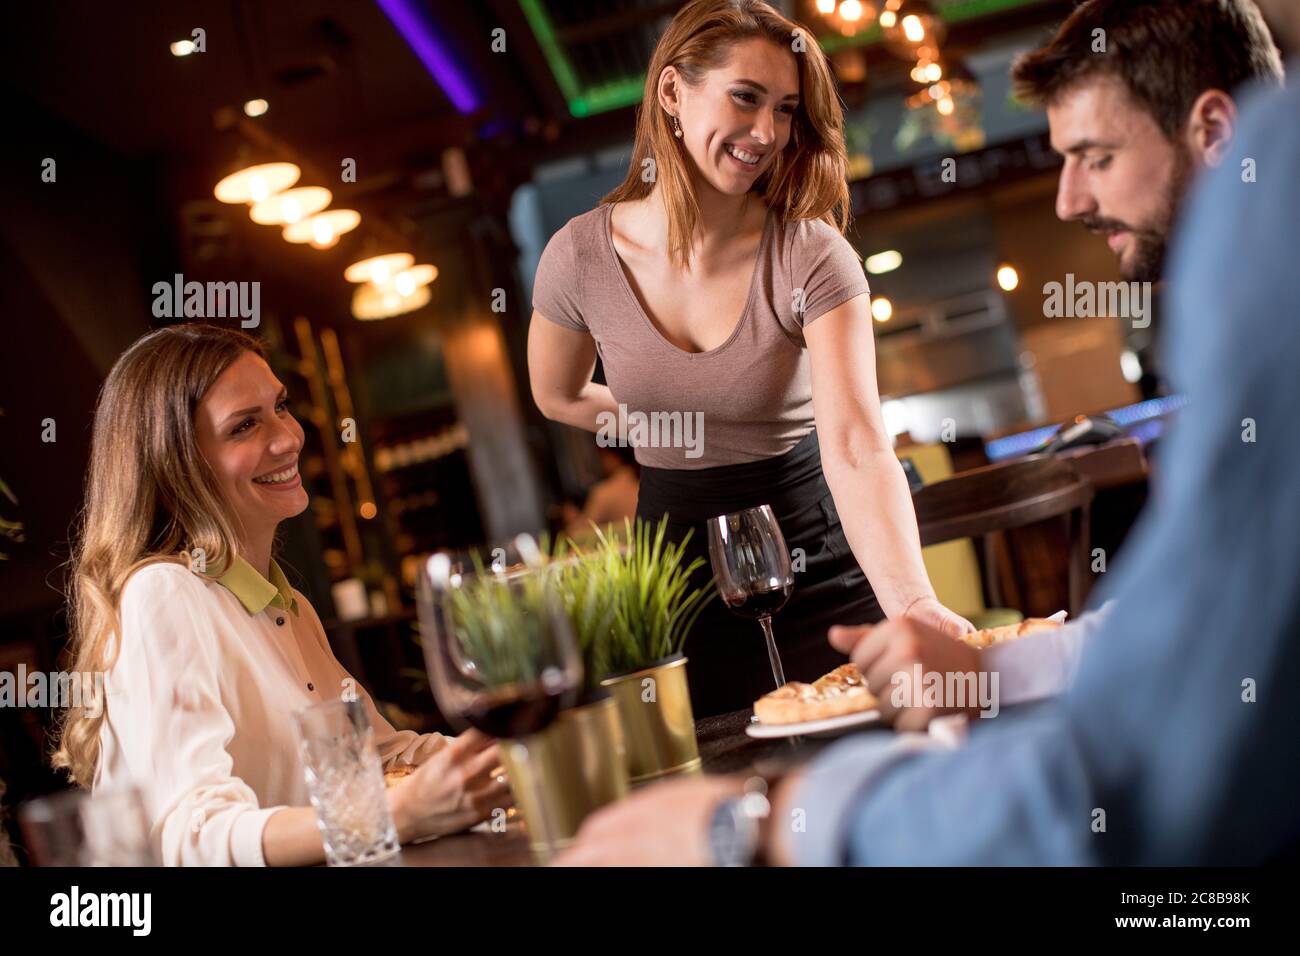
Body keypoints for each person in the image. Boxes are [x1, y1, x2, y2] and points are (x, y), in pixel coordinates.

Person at [558, 0, 1299, 865]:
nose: (1067, 199)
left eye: (1095, 156)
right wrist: (989, 673)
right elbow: (1178, 648)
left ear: (1218, 130)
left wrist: (760, 825)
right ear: (672, 97)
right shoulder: (585, 255)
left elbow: (1127, 779)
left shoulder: (1269, 215)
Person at [528, 0, 970, 718]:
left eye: (787, 109)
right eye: (745, 98)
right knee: (725, 791)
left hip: (818, 551)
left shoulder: (810, 251)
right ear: (671, 93)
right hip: (678, 570)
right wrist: (667, 428)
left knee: (867, 759)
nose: (766, 133)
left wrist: (914, 603)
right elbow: (558, 394)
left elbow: (856, 443)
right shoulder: (578, 258)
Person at [52, 324, 509, 866]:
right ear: (177, 465)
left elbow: (381, 762)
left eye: (280, 406)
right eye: (245, 425)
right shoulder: (164, 593)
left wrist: (517, 751)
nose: (289, 437)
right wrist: (393, 814)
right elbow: (186, 836)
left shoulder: (282, 603)